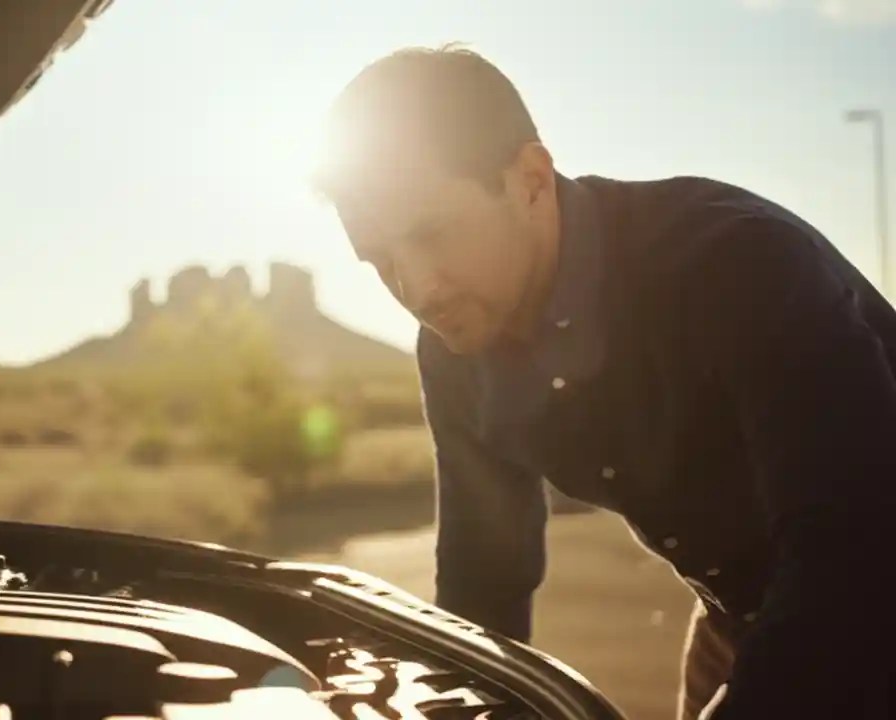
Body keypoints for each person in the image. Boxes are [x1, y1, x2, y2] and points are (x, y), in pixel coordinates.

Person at [310, 45, 896, 720]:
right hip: (743, 617)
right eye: (380, 260)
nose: (417, 288)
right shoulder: (455, 345)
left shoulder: (737, 262)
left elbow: (853, 540)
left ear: (531, 177)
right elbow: (485, 585)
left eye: (434, 234)